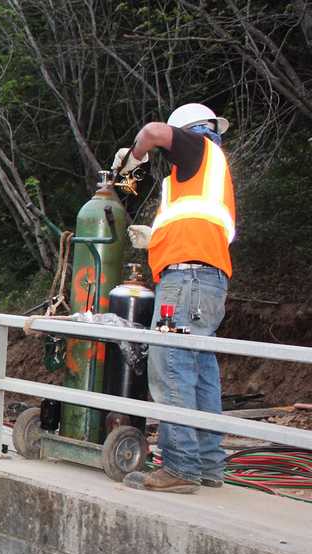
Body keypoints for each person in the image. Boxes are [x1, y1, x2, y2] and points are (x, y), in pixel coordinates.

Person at [110, 103, 236, 494]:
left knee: (170, 368)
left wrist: (135, 157)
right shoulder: (201, 175)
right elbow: (195, 223)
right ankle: (207, 464)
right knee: (199, 374)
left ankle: (180, 468)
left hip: (186, 282)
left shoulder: (198, 148)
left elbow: (151, 131)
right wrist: (159, 238)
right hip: (207, 281)